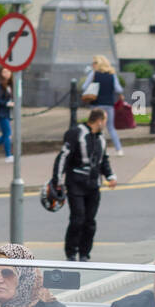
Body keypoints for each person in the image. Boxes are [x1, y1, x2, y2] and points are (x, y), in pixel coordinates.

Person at [52, 106, 117, 262]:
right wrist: (57, 181)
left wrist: (110, 176)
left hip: (94, 186)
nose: (106, 125)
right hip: (76, 184)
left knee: (90, 221)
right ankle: (71, 252)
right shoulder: (76, 134)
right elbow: (63, 157)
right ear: (99, 121)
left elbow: (104, 161)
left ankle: (84, 253)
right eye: (105, 121)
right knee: (77, 219)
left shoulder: (100, 139)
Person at [83, 55, 124, 155]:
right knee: (110, 127)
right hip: (109, 105)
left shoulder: (94, 74)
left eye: (94, 63)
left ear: (98, 64)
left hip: (96, 105)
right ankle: (119, 150)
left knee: (95, 127)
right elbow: (119, 89)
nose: (92, 65)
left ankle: (96, 150)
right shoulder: (112, 75)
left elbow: (84, 87)